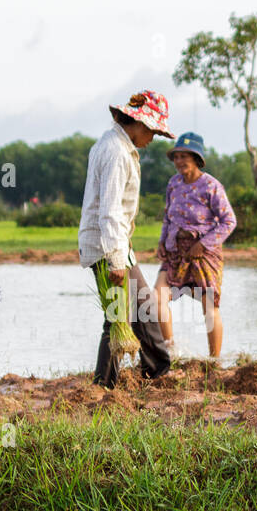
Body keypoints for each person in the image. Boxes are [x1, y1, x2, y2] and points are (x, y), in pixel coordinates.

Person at [78, 90, 175, 388]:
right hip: (109, 247)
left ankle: (146, 371)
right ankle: (135, 376)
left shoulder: (116, 145)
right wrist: (116, 260)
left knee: (132, 308)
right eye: (153, 132)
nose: (153, 139)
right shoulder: (117, 152)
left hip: (115, 243)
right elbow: (108, 210)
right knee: (122, 313)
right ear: (139, 123)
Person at [154, 132, 236, 359]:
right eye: (176, 157)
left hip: (203, 255)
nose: (179, 162)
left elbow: (229, 221)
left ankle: (214, 360)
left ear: (197, 159)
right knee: (156, 298)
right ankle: (170, 352)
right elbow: (167, 217)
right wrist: (162, 242)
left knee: (209, 307)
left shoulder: (211, 185)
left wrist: (203, 244)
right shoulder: (173, 184)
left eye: (184, 157)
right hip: (175, 253)